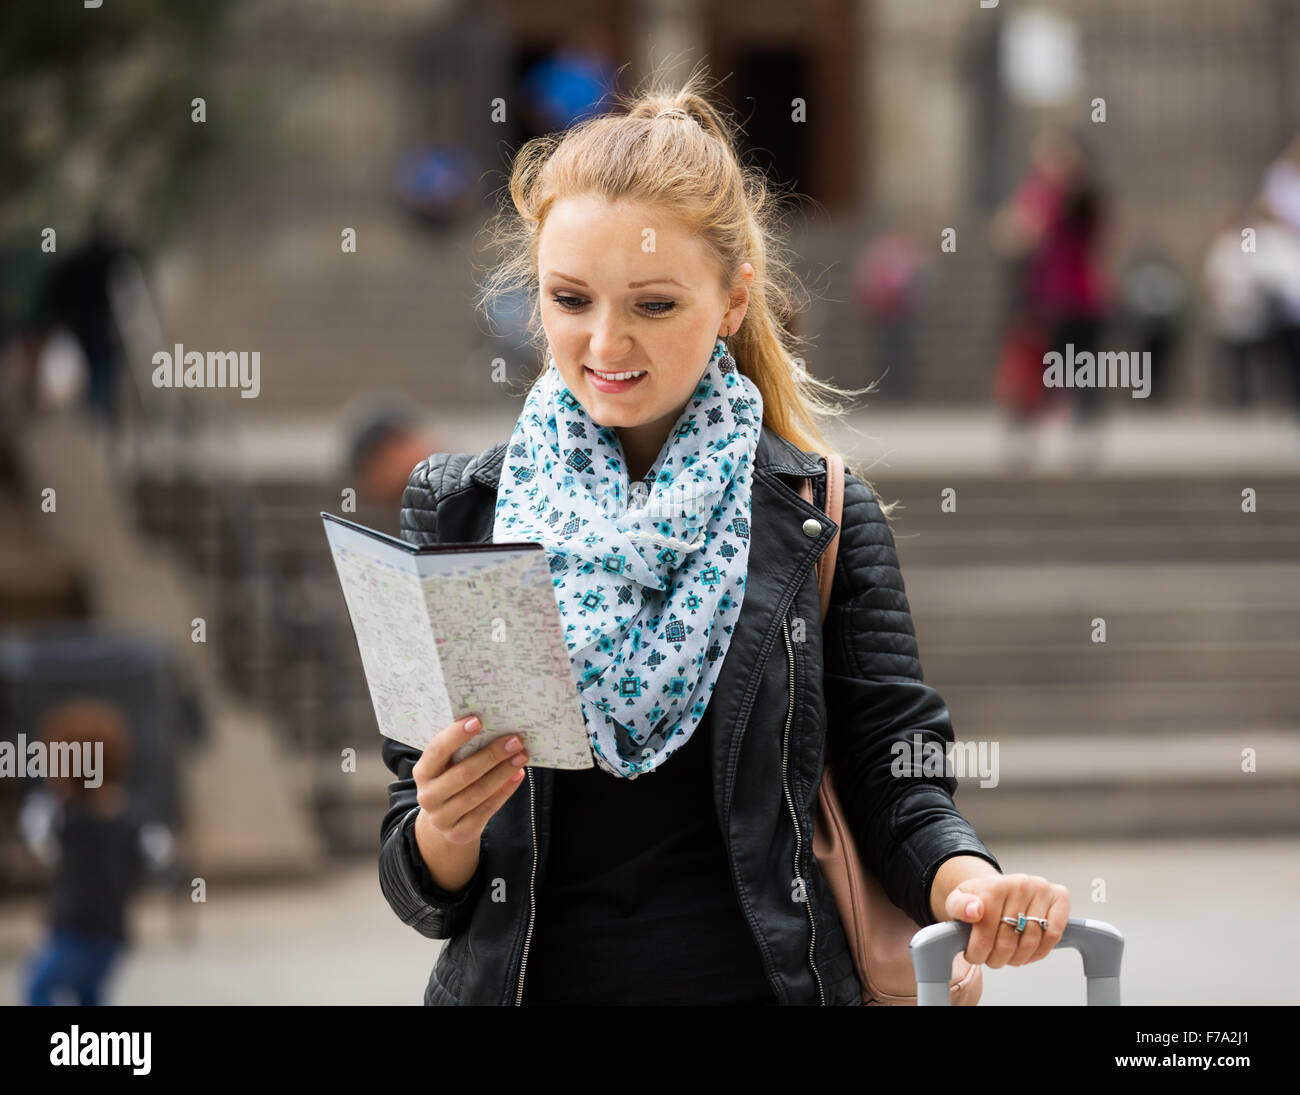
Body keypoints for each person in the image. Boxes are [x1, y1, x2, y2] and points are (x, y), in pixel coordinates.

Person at [377, 69, 1071, 1006]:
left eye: (654, 305)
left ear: (734, 301)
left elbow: (895, 778)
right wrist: (446, 830)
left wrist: (971, 883)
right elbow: (416, 883)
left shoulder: (821, 514)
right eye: (570, 299)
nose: (607, 343)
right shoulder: (457, 514)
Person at [20, 698, 173, 1006]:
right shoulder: (132, 817)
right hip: (113, 931)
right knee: (89, 994)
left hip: (74, 928)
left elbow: (40, 841)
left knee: (38, 987)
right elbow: (159, 852)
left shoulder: (63, 815)